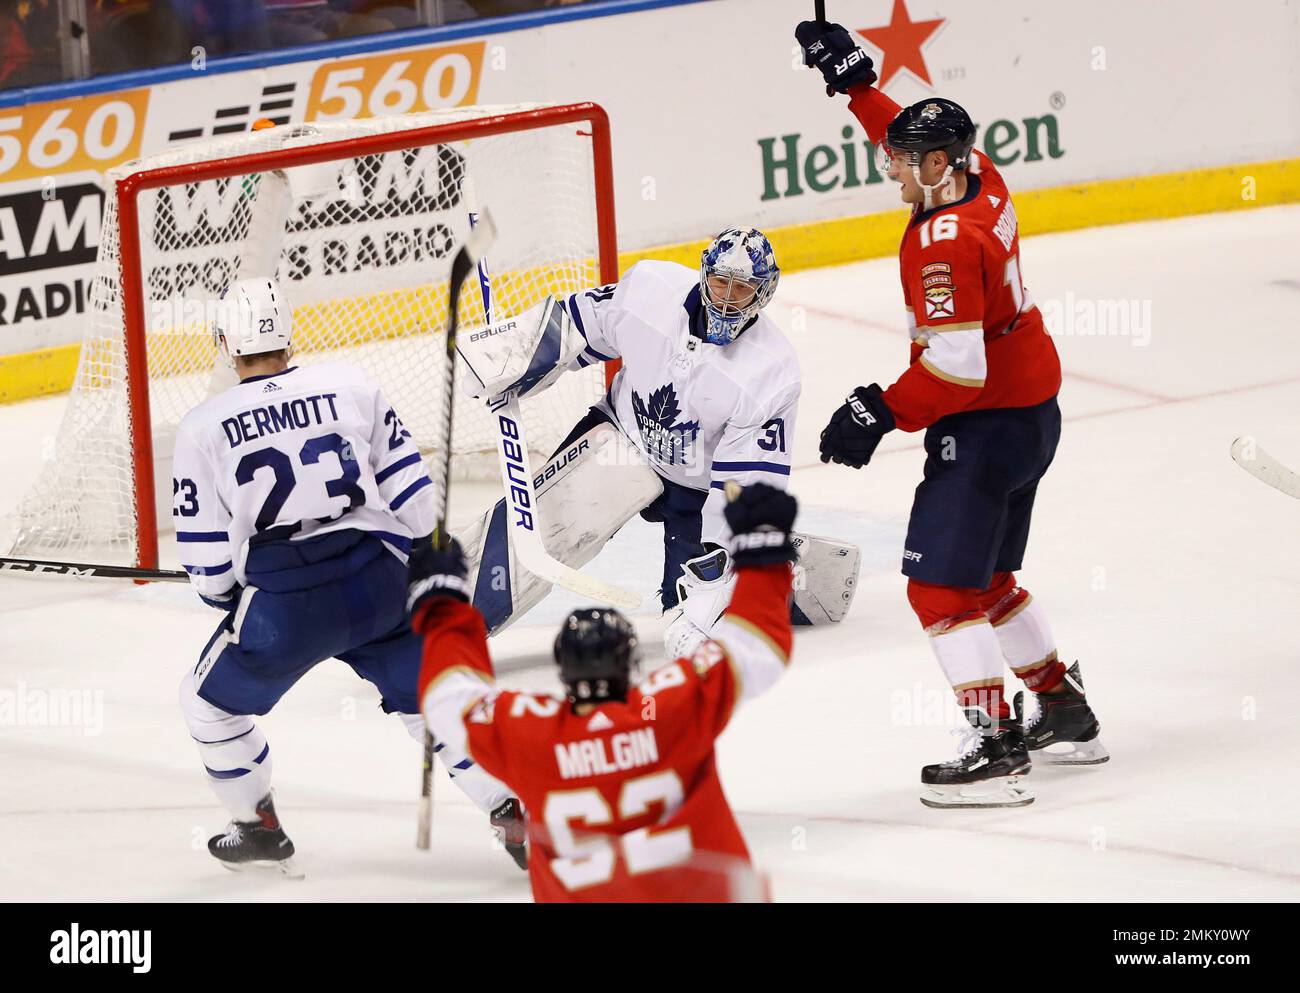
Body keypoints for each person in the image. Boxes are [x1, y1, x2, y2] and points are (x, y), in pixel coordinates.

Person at [795, 20, 1108, 809]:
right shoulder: (983, 177)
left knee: (938, 593)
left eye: (900, 159)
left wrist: (879, 411)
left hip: (987, 424)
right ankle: (1063, 707)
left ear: (937, 164)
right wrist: (857, 84)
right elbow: (913, 135)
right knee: (992, 578)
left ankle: (994, 744)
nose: (888, 166)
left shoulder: (943, 243)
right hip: (1034, 413)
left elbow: (957, 369)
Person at [172, 277, 525, 873]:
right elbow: (412, 488)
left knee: (206, 706)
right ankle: (516, 814)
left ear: (226, 341)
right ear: (288, 331)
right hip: (382, 581)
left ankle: (256, 824)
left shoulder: (203, 427)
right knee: (430, 703)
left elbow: (206, 555)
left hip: (288, 605)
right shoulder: (350, 384)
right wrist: (426, 563)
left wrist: (231, 598)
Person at [452, 229, 858, 656]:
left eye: (743, 288)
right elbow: (579, 325)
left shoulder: (771, 372)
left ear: (764, 292)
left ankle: (772, 574)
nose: (726, 297)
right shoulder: (651, 291)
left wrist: (720, 561)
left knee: (689, 629)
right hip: (620, 438)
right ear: (704, 275)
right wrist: (511, 357)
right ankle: (445, 610)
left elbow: (746, 485)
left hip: (694, 491)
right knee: (542, 529)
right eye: (721, 282)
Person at [409, 482, 798, 901]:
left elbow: (446, 697)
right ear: (631, 665)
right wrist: (763, 555)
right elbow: (756, 649)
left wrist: (444, 605)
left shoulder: (532, 736)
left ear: (564, 672)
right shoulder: (673, 708)